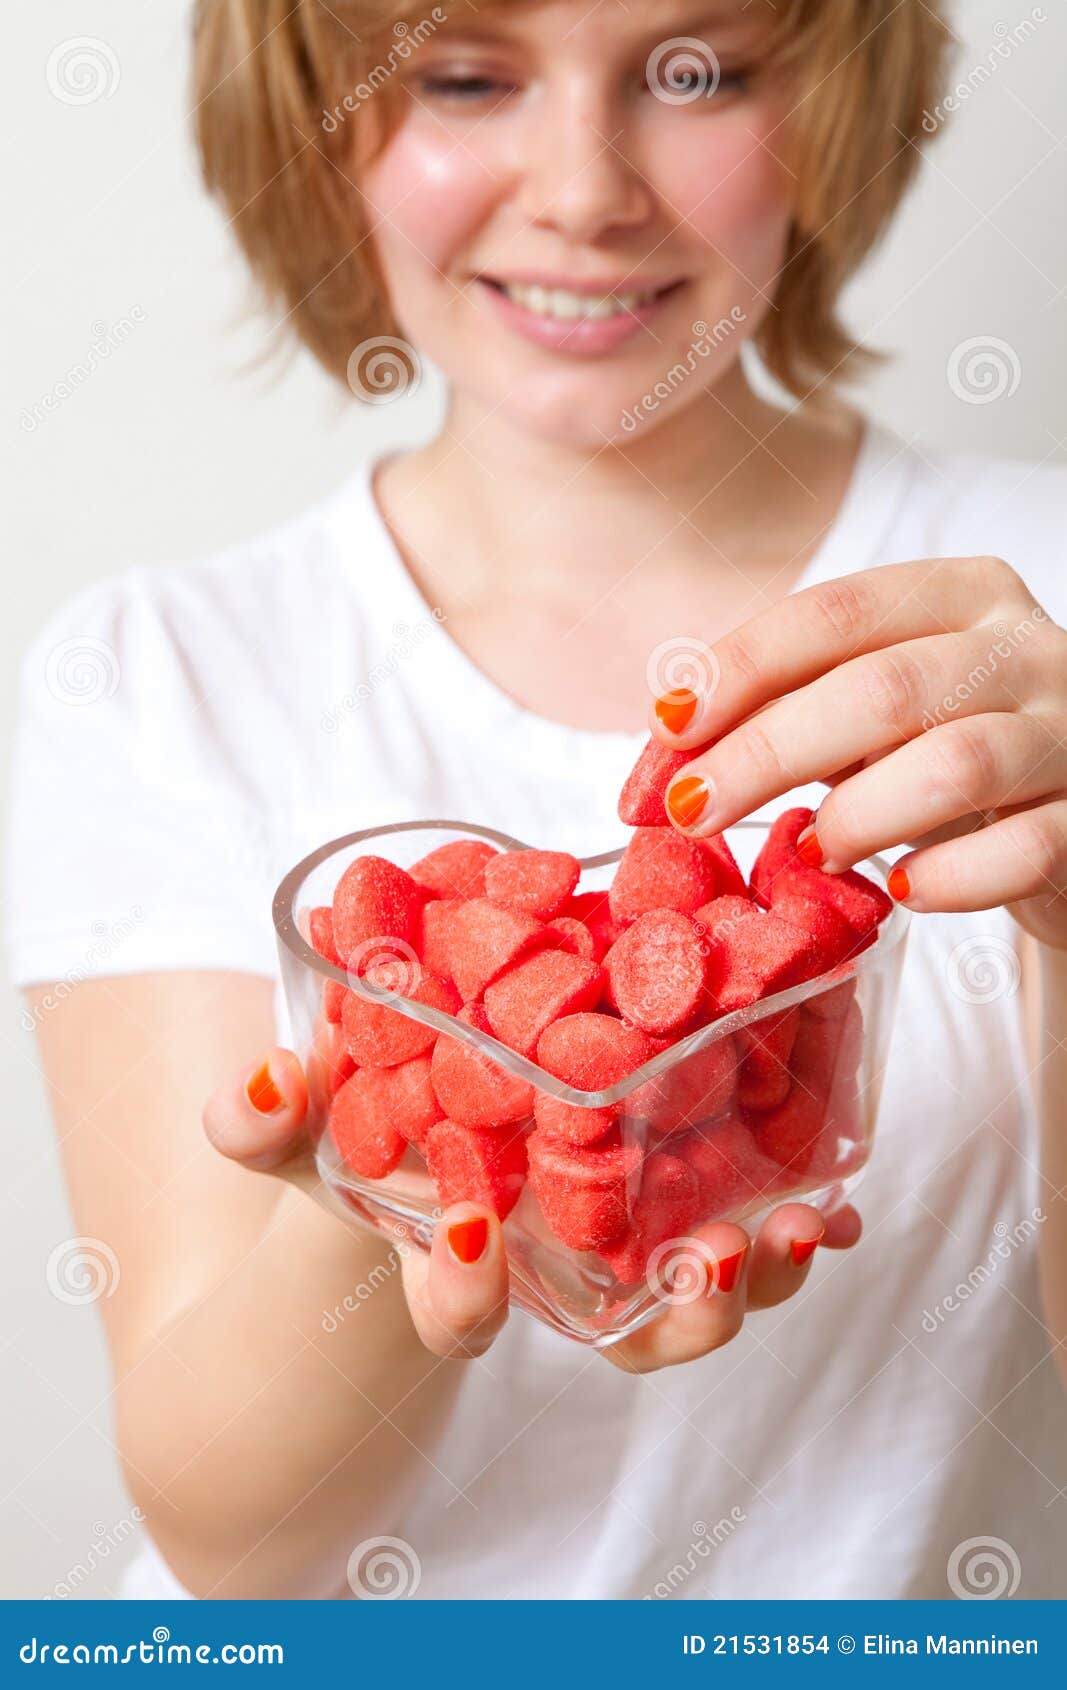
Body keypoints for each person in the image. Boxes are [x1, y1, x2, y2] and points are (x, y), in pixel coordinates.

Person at [9, 0, 1066, 1601]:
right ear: (316, 119)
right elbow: (233, 1542)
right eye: (461, 76)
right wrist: (400, 1171)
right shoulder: (160, 675)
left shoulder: (1030, 625)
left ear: (837, 101)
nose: (583, 191)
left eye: (696, 72)